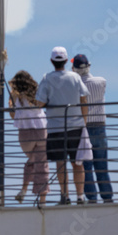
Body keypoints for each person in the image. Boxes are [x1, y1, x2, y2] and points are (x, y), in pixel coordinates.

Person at [35, 46, 88, 205]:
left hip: (55, 128)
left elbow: (40, 103)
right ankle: (80, 197)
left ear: (52, 61)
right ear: (66, 61)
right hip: (76, 126)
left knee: (60, 163)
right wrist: (84, 121)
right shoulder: (75, 77)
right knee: (78, 163)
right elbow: (84, 99)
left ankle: (65, 196)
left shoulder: (47, 78)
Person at [72, 54, 113, 203]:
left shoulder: (74, 85)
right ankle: (107, 197)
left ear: (74, 68)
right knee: (102, 166)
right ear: (89, 65)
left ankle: (92, 198)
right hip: (100, 127)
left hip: (83, 127)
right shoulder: (101, 81)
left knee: (86, 166)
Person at [8, 70, 48, 205]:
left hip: (25, 134)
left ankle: (24, 189)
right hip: (41, 131)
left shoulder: (15, 96)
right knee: (41, 165)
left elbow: (13, 115)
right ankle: (42, 200)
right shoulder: (37, 93)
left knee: (32, 160)